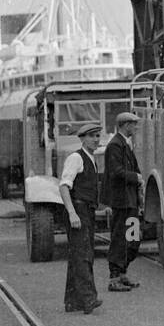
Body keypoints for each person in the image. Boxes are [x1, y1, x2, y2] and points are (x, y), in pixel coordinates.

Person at [59, 122, 103, 315]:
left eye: (97, 136)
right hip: (78, 210)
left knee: (78, 255)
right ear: (83, 138)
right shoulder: (76, 158)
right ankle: (88, 299)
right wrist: (71, 213)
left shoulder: (91, 159)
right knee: (84, 255)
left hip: (87, 210)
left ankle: (72, 301)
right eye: (92, 136)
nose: (96, 140)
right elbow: (64, 186)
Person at [104, 111, 144, 292]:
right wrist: (136, 177)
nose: (136, 127)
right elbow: (116, 172)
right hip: (122, 201)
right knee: (120, 238)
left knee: (133, 239)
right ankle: (114, 277)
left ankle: (123, 273)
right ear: (126, 125)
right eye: (134, 124)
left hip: (131, 201)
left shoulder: (123, 144)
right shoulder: (115, 145)